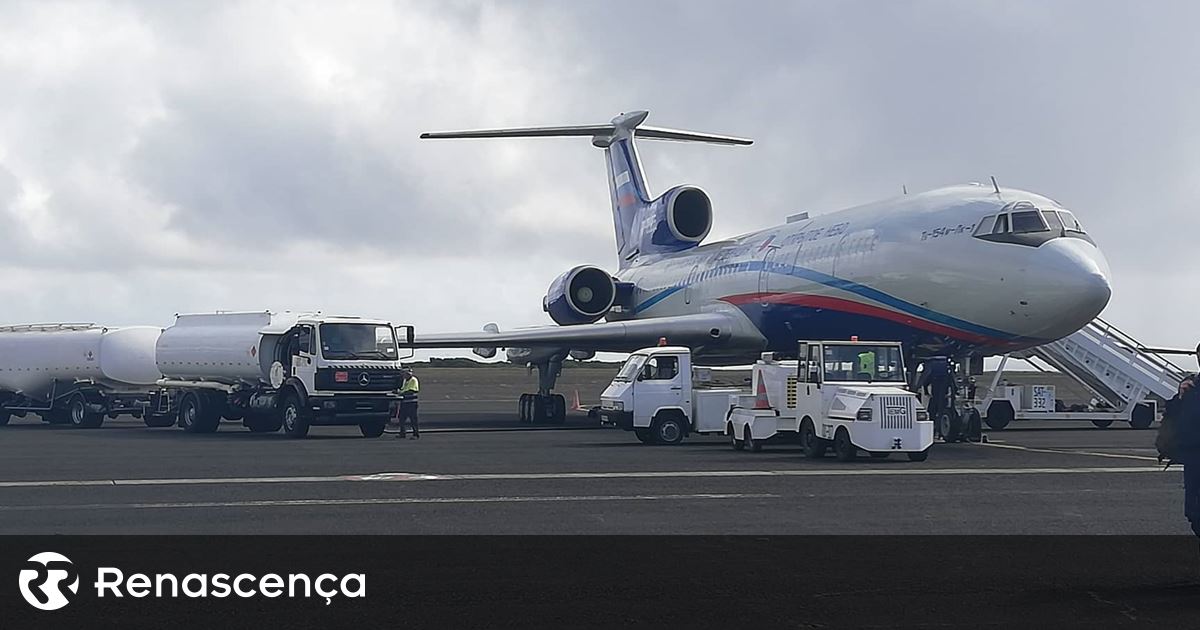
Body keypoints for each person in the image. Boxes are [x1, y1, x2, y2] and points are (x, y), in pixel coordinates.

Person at [1161, 374, 1200, 539]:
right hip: (1193, 453)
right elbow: (1172, 416)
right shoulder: (1192, 384)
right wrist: (1180, 396)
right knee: (1193, 511)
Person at [396, 369, 420, 440]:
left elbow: (411, 390)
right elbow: (403, 389)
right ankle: (402, 433)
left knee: (413, 420)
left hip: (411, 403)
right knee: (401, 419)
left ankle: (416, 434)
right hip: (405, 403)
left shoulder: (413, 380)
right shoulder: (405, 381)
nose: (403, 375)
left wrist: (400, 393)